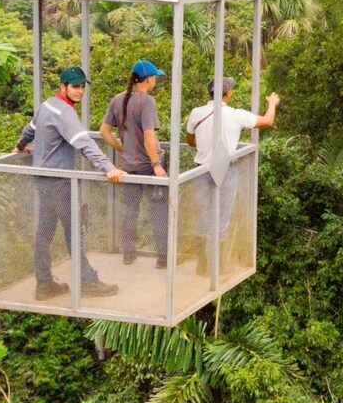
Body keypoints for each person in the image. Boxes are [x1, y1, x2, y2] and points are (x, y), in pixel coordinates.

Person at [28, 67, 129, 300]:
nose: (80, 91)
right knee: (75, 231)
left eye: (83, 86)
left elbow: (30, 129)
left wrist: (21, 145)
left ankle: (44, 284)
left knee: (44, 232)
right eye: (75, 86)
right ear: (62, 86)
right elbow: (84, 143)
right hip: (60, 183)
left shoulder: (47, 106)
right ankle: (87, 282)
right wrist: (109, 167)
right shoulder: (64, 113)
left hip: (43, 181)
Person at [184, 77, 279, 276]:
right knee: (222, 217)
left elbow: (190, 140)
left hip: (201, 170)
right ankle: (217, 267)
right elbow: (267, 121)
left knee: (204, 216)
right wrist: (272, 104)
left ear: (210, 93)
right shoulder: (235, 115)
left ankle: (202, 264)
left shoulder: (196, 113)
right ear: (228, 93)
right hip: (225, 170)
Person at [101, 59, 169, 267]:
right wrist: (157, 164)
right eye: (154, 76)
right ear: (148, 79)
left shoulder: (118, 100)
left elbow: (104, 131)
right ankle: (162, 257)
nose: (155, 79)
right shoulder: (146, 102)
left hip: (128, 166)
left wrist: (123, 149)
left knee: (130, 210)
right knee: (159, 211)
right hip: (149, 167)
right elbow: (149, 135)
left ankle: (128, 254)